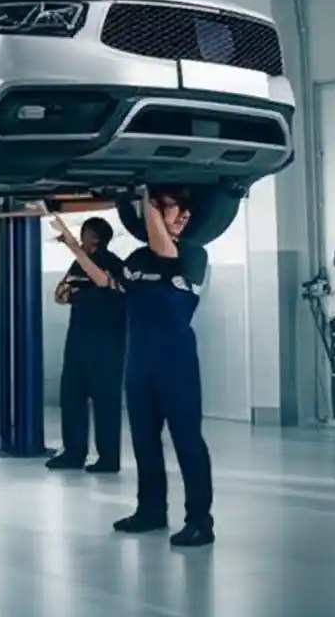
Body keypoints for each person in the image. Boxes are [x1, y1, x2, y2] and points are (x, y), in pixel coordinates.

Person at [111, 186, 215, 548]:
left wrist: (149, 195)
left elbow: (165, 252)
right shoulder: (136, 258)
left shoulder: (193, 254)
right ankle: (150, 511)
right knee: (144, 441)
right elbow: (116, 286)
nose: (182, 215)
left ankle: (200, 522)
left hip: (176, 364)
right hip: (138, 364)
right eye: (174, 208)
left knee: (187, 441)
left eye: (185, 210)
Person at [46, 215, 126, 474]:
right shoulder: (78, 266)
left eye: (85, 233)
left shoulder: (113, 264)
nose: (81, 238)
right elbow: (60, 294)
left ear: (97, 238)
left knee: (106, 403)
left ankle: (109, 458)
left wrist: (81, 294)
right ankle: (73, 453)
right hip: (78, 344)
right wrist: (84, 294)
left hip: (106, 346)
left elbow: (105, 287)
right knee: (72, 398)